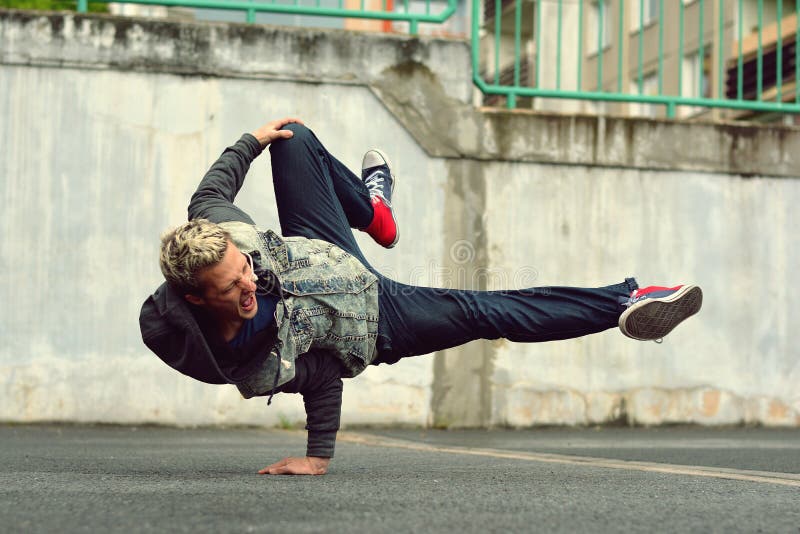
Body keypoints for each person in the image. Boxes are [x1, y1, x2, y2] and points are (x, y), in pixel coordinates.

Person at [139, 118, 703, 476]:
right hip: (378, 319)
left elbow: (212, 188)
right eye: (233, 287)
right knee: (490, 311)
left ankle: (376, 215)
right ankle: (628, 302)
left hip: (321, 250)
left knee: (293, 138)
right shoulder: (248, 362)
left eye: (246, 269)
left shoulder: (223, 234)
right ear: (194, 299)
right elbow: (322, 379)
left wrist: (252, 139)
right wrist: (317, 456)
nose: (249, 284)